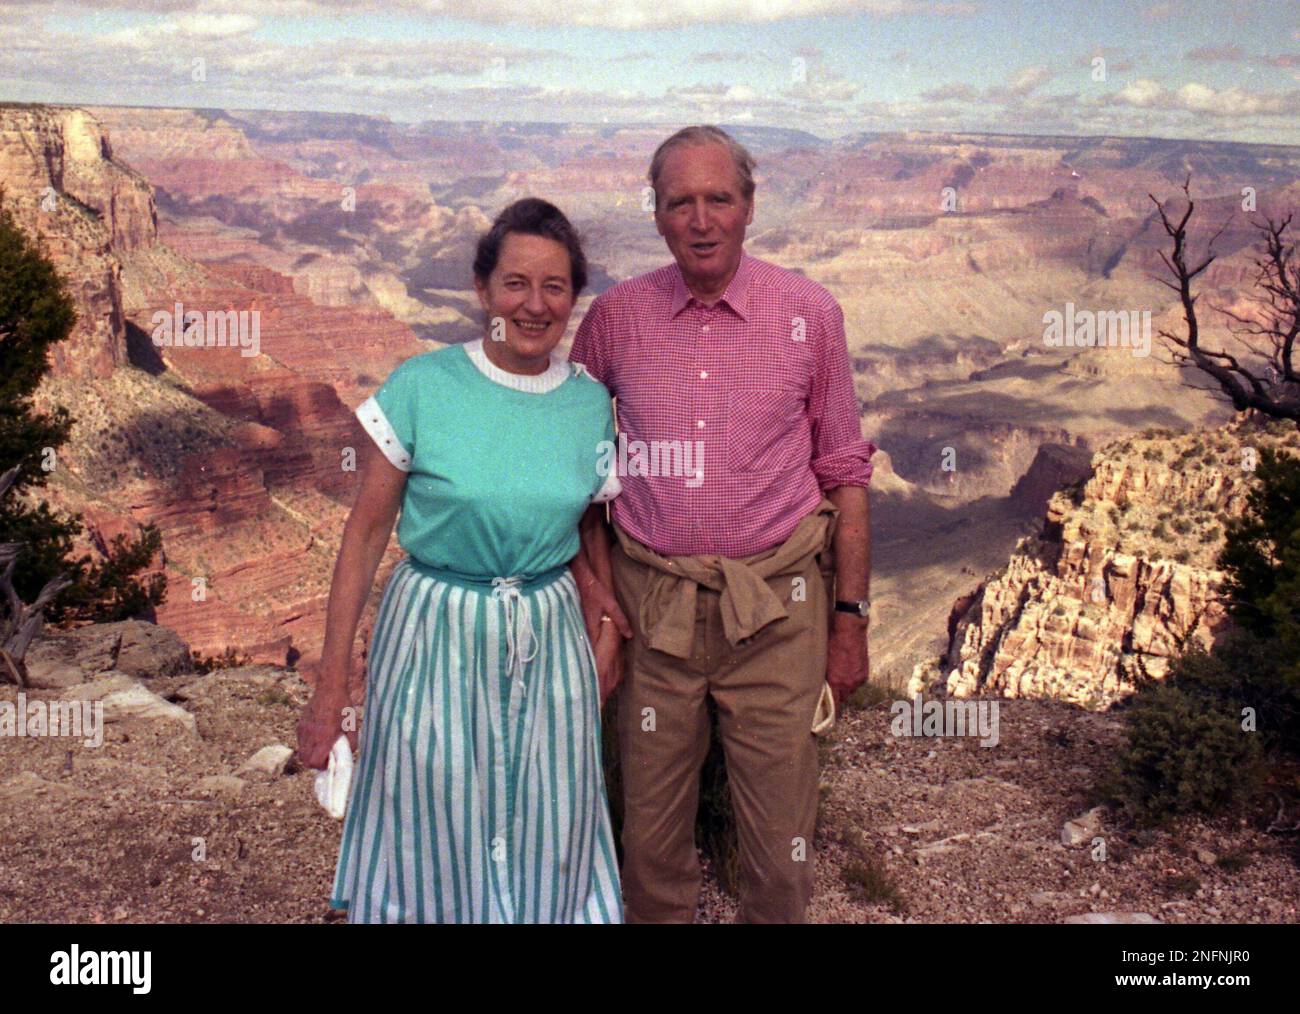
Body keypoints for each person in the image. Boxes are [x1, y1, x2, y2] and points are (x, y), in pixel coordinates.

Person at [570, 125, 876, 924]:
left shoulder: (810, 313)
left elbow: (844, 472)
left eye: (719, 199)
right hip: (650, 611)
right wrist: (593, 589)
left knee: (781, 850)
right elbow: (567, 460)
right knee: (648, 838)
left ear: (749, 206)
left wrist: (850, 620)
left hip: (778, 613)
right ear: (658, 215)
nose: (701, 220)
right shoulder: (614, 318)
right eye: (681, 203)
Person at [297, 197, 629, 924]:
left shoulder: (589, 405)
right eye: (515, 283)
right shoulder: (423, 385)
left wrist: (602, 618)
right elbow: (363, 539)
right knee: (432, 810)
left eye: (554, 287)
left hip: (549, 638)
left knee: (551, 810)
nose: (534, 305)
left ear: (575, 298)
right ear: (482, 289)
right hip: (433, 630)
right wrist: (331, 689)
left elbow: (587, 528)